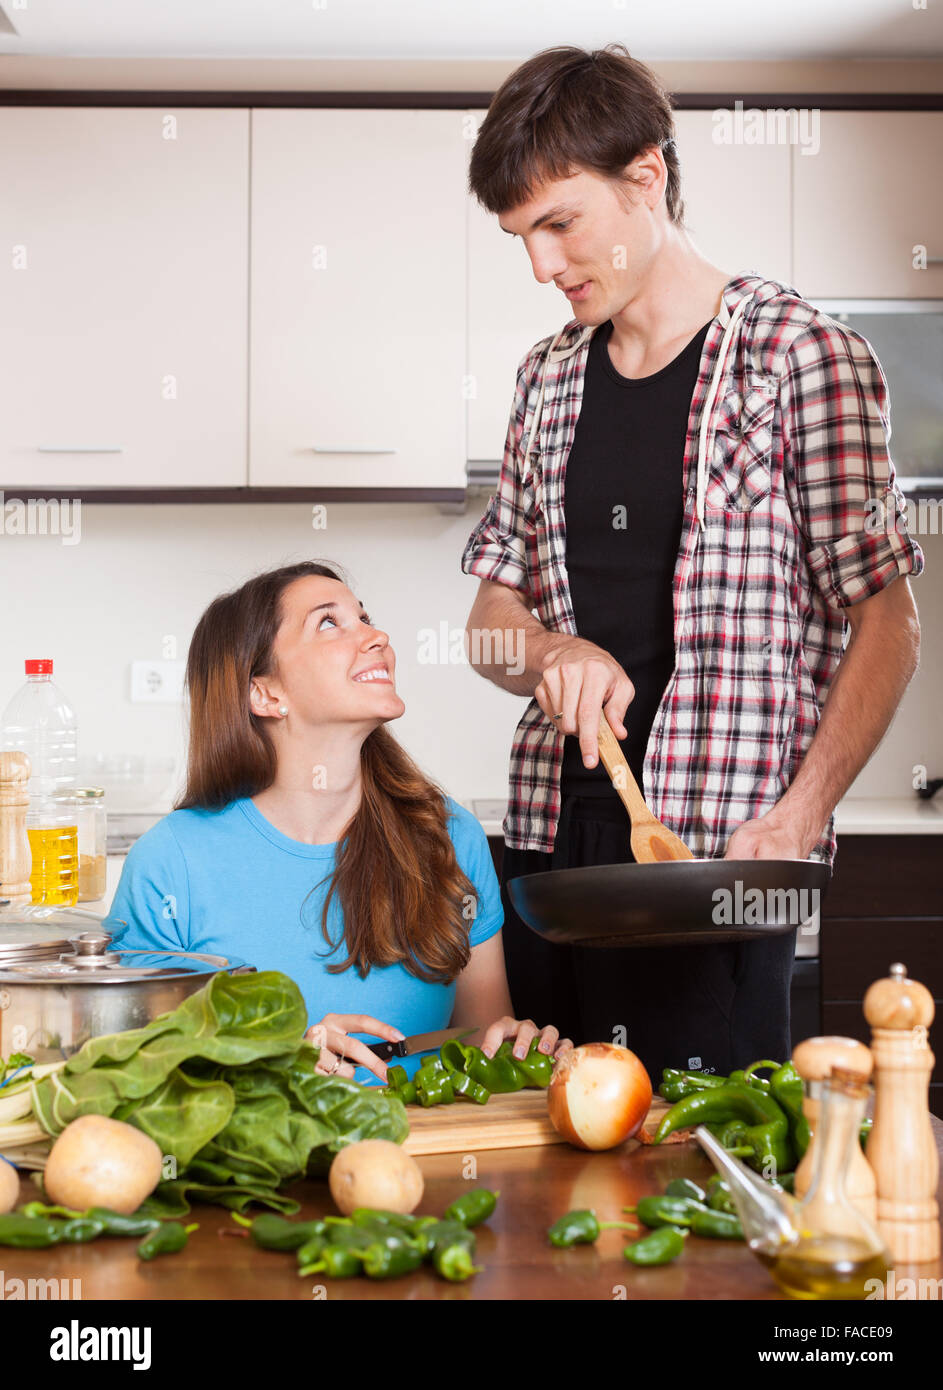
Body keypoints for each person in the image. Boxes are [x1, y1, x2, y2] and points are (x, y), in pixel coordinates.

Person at [461, 45, 924, 1077]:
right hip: (552, 845)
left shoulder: (800, 357)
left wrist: (799, 816)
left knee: (695, 1168)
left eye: (558, 223)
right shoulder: (545, 380)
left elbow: (889, 622)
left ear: (646, 176)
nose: (541, 266)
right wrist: (543, 652)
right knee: (545, 1148)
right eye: (519, 238)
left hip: (716, 860)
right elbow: (491, 614)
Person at [104, 560, 571, 1083]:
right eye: (330, 623)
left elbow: (479, 1042)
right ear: (265, 693)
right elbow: (139, 1075)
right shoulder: (171, 863)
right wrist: (277, 1060)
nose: (378, 636)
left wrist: (515, 1046)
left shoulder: (449, 835)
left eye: (365, 617)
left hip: (423, 1157)